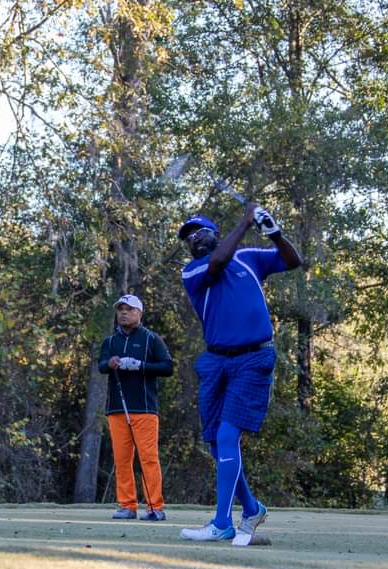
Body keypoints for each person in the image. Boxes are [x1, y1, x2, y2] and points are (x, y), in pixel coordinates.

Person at [176, 203, 301, 541]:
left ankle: (221, 524)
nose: (195, 239)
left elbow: (292, 260)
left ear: (216, 234)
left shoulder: (248, 258)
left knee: (228, 436)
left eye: (200, 231)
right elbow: (218, 262)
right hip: (216, 362)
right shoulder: (194, 271)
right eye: (189, 237)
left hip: (253, 359)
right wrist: (247, 221)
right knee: (217, 443)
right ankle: (251, 508)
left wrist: (274, 232)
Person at [98, 294, 174, 521]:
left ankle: (154, 507)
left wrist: (141, 366)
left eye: (129, 309)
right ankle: (127, 506)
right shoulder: (110, 342)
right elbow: (101, 365)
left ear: (139, 313)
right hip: (117, 409)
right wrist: (110, 363)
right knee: (122, 460)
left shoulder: (151, 339)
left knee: (148, 459)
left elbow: (167, 367)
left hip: (145, 409)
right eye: (120, 309)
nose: (123, 313)